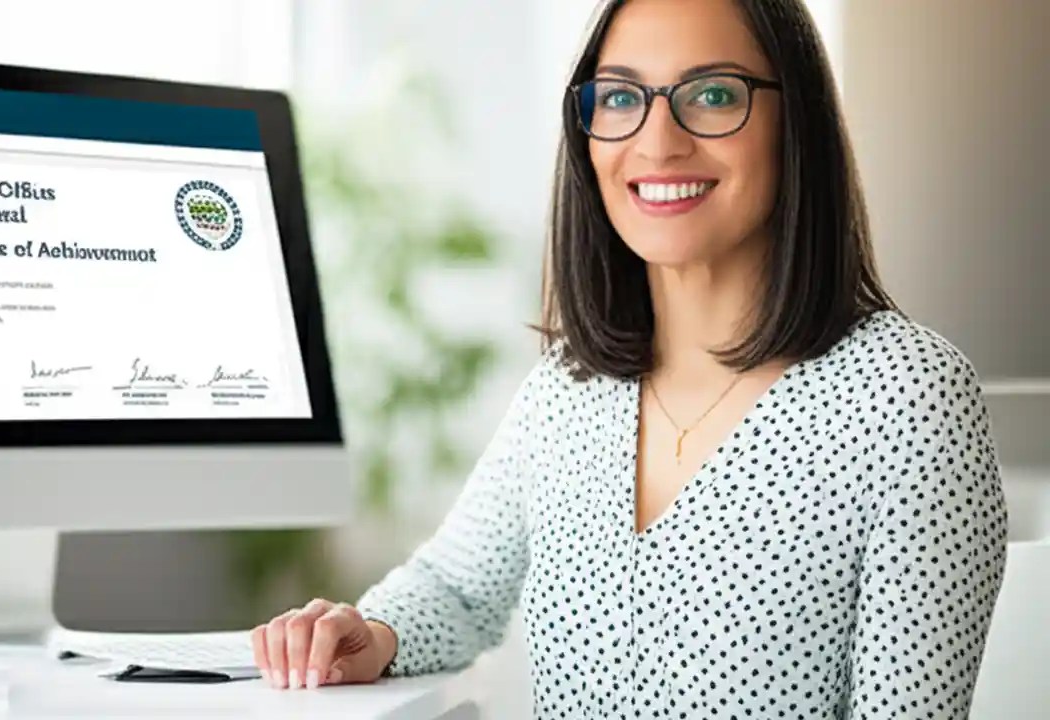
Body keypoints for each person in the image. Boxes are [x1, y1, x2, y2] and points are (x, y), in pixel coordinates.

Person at [251, 0, 1010, 716]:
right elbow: (456, 587)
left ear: (796, 122)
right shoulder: (568, 388)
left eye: (713, 95)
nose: (657, 140)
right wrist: (373, 632)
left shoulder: (908, 396)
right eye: (619, 98)